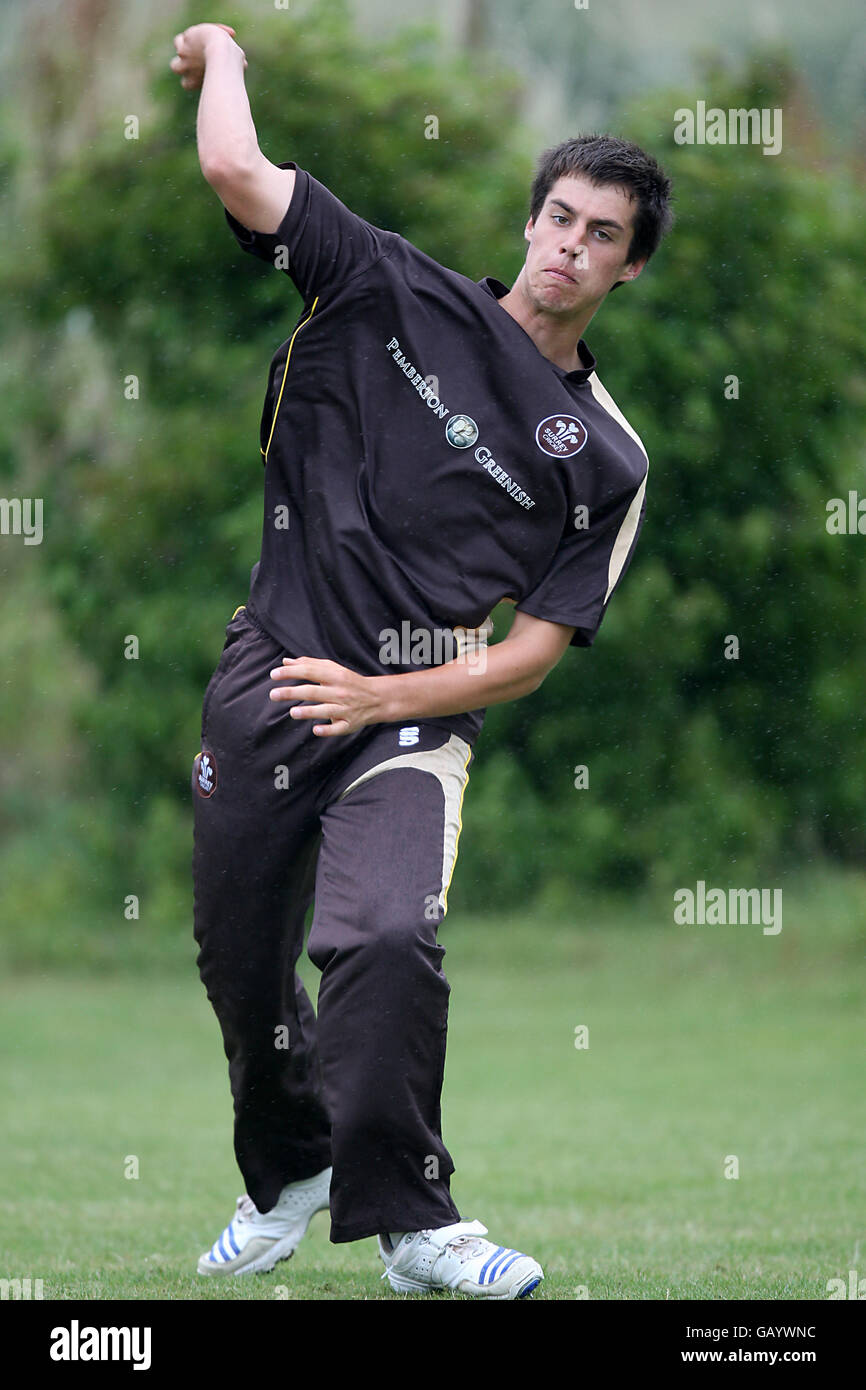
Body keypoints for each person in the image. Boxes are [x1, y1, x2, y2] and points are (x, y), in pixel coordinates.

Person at [171, 21, 673, 1300]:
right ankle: (288, 1167)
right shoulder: (385, 283)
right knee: (239, 964)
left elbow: (534, 651)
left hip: (415, 711)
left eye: (600, 234)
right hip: (273, 672)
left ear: (626, 269)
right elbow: (235, 169)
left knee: (386, 936)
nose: (568, 243)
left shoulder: (604, 460)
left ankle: (416, 1224)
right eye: (557, 216)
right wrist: (223, 51)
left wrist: (391, 695)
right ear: (527, 222)